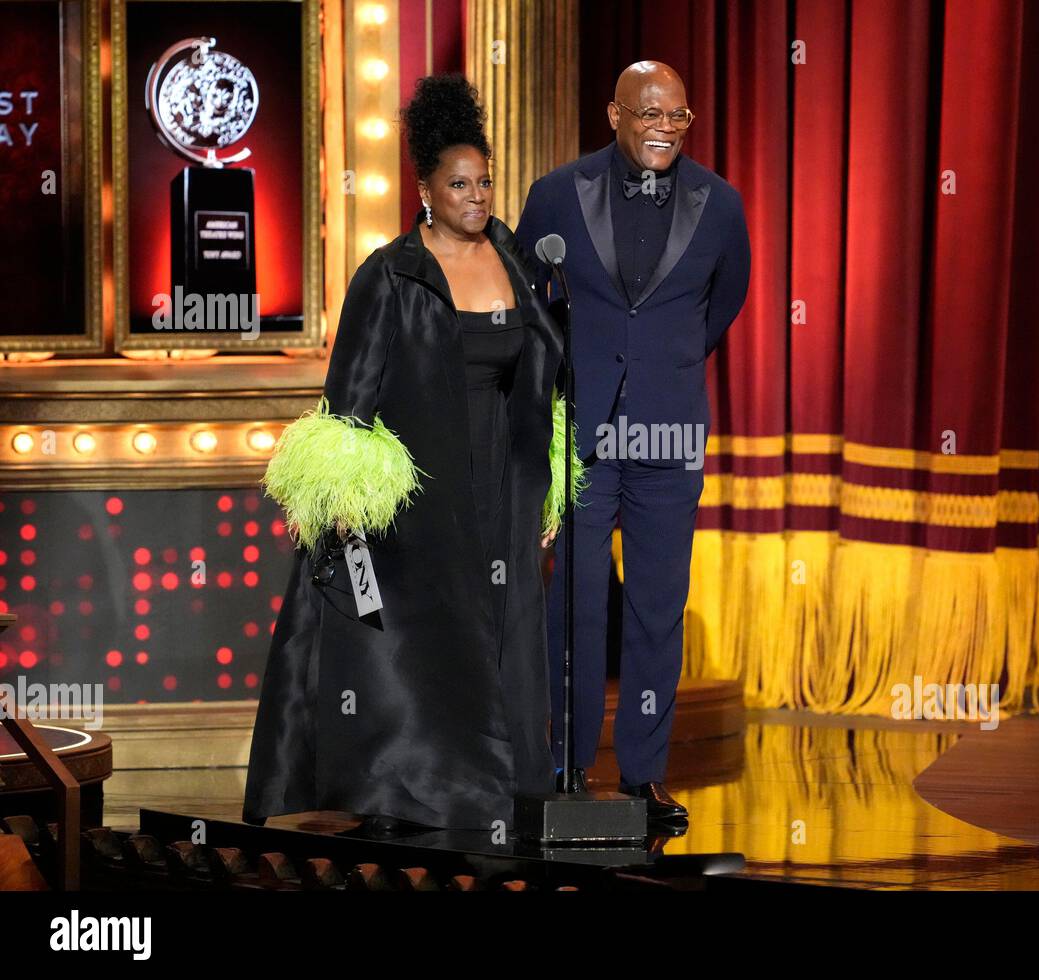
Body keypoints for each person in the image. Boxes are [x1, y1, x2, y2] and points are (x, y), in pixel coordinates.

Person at [242, 74, 581, 835]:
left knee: (510, 634)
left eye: (485, 181)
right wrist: (349, 512)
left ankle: (511, 798)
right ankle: (424, 792)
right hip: (423, 496)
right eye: (459, 183)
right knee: (426, 648)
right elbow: (349, 402)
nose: (476, 195)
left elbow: (550, 379)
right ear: (425, 189)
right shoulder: (389, 274)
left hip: (507, 481)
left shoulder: (519, 262)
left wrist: (547, 487)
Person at [516, 61, 751, 825]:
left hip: (669, 430)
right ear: (615, 113)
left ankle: (644, 776)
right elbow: (528, 297)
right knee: (575, 608)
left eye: (677, 117)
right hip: (582, 434)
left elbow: (723, 303)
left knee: (656, 609)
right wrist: (576, 363)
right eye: (650, 114)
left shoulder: (720, 204)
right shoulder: (556, 193)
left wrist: (662, 364)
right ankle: (568, 766)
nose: (664, 129)